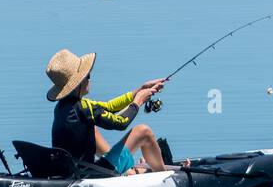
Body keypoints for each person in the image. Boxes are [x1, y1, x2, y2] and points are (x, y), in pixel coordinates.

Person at [45, 48, 188, 174]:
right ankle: (164, 176)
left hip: (74, 170)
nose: (90, 79)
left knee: (91, 128)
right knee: (143, 131)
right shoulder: (84, 108)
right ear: (78, 83)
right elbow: (121, 123)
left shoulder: (64, 107)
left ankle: (130, 171)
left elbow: (109, 107)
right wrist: (138, 101)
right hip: (90, 174)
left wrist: (140, 90)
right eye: (87, 76)